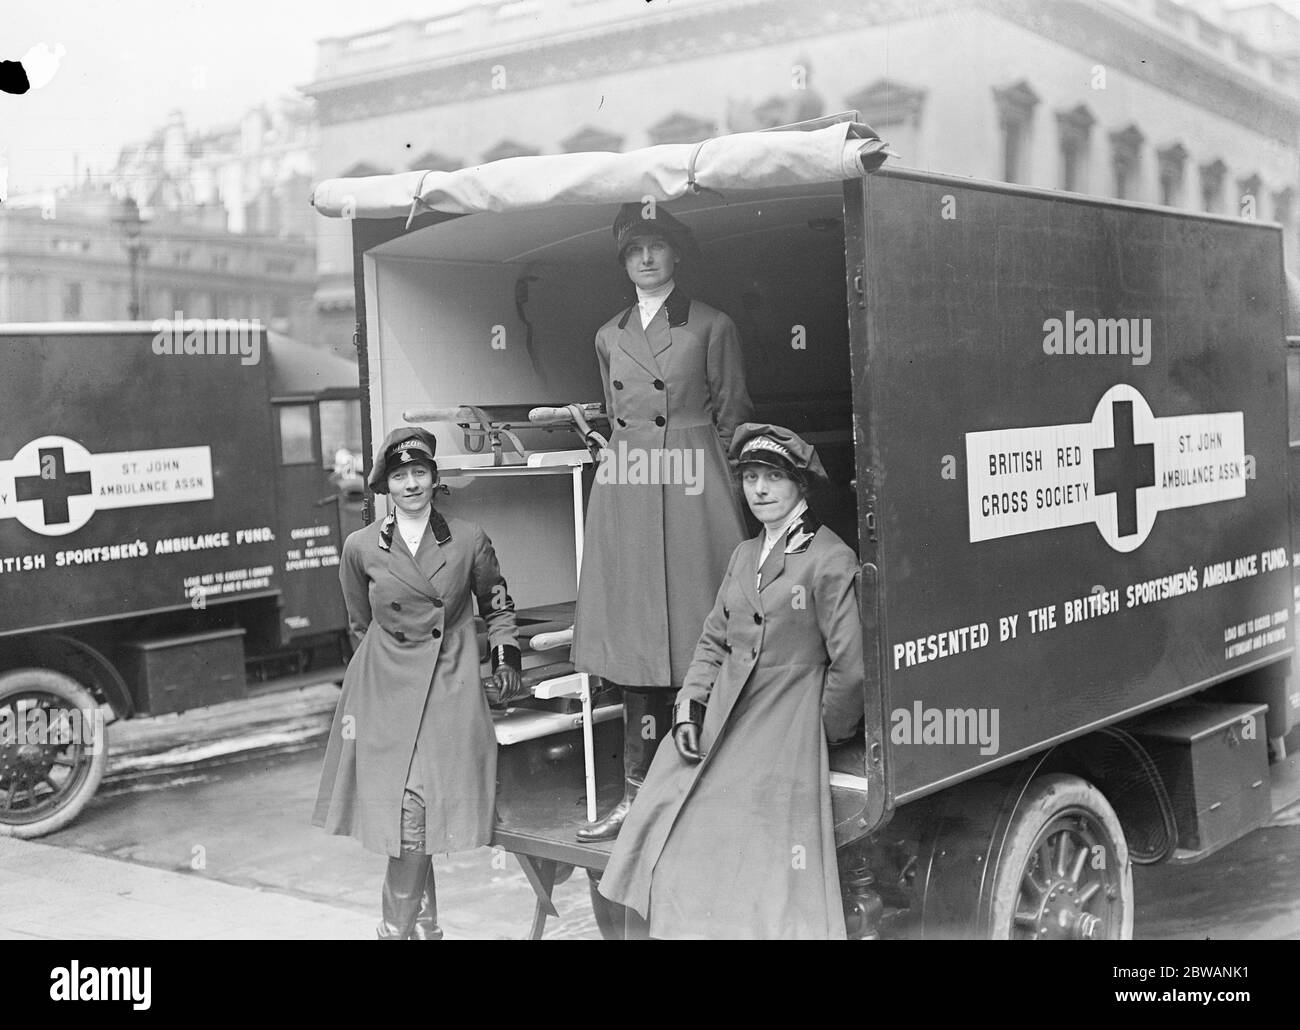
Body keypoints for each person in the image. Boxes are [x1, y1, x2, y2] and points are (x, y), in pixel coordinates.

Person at [597, 423, 865, 938]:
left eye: (773, 478)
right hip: (720, 718)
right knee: (652, 832)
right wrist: (689, 708)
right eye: (751, 478)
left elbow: (849, 666)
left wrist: (819, 732)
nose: (760, 490)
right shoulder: (744, 555)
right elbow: (713, 641)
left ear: (800, 486)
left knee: (722, 856)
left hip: (782, 723)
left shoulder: (829, 558)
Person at [572, 202, 754, 841]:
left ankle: (706, 788)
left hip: (693, 485)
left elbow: (734, 420)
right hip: (628, 489)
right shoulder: (607, 333)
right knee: (636, 642)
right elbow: (614, 412)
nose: (646, 258)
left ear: (677, 254)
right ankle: (636, 796)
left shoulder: (711, 326)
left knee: (699, 633)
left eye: (657, 246)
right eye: (634, 250)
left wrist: (743, 507)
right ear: (623, 262)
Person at [313, 427, 524, 939]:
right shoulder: (360, 547)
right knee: (408, 816)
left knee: (421, 814)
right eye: (401, 475)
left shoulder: (469, 538)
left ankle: (405, 931)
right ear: (387, 485)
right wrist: (380, 670)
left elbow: (497, 604)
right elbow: (359, 623)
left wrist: (504, 655)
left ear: (434, 479)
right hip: (385, 688)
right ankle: (413, 931)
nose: (411, 484)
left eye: (420, 473)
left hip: (447, 680)